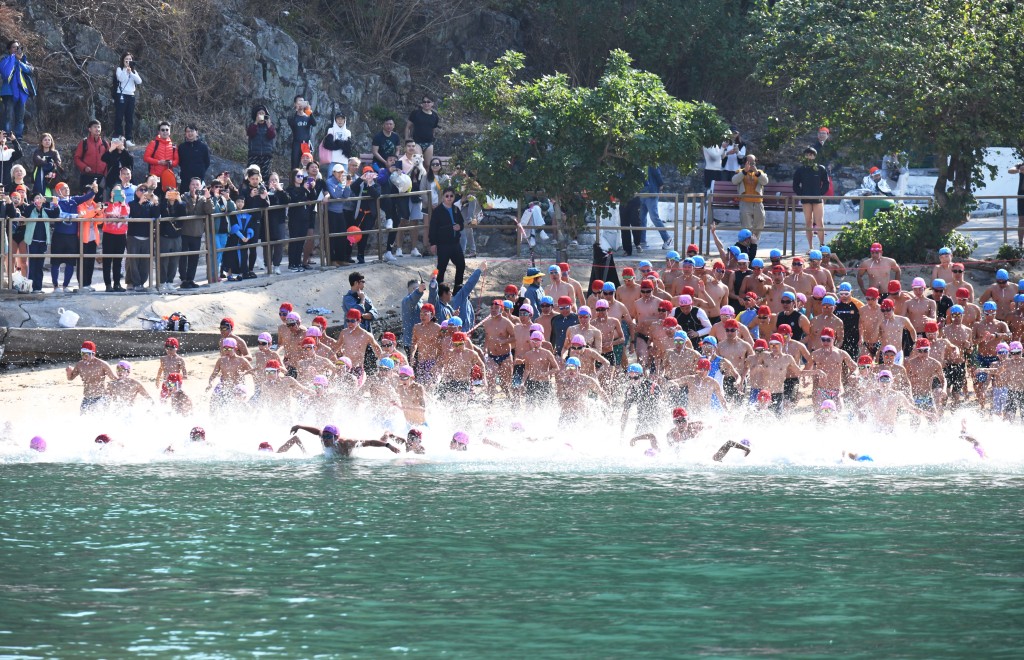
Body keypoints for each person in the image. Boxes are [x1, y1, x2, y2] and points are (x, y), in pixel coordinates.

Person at [792, 146, 829, 250]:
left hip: (817, 199)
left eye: (811, 154)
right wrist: (802, 194)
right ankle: (810, 247)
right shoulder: (800, 169)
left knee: (819, 222)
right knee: (808, 222)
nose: (809, 156)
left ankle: (822, 245)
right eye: (807, 154)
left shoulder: (821, 168)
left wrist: (820, 193)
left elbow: (826, 182)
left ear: (815, 156)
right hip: (806, 199)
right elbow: (795, 184)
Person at [429, 186, 466, 288]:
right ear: (443, 197)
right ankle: (439, 291)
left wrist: (459, 227)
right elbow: (433, 228)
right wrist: (433, 243)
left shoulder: (455, 209)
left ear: (454, 197)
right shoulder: (437, 211)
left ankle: (457, 289)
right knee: (441, 268)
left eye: (451, 196)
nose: (449, 198)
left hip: (455, 243)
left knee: (461, 265)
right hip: (443, 244)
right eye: (447, 196)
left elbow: (461, 223)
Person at [66, 341, 116, 414]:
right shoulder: (80, 365)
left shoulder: (102, 364)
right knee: (83, 418)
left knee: (99, 417)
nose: (84, 357)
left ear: (93, 354)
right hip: (87, 397)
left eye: (87, 355)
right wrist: (69, 373)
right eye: (82, 354)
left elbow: (114, 378)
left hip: (101, 396)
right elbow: (70, 378)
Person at [731, 155, 768, 244]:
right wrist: (744, 171)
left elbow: (765, 181)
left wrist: (756, 172)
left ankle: (754, 242)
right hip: (745, 202)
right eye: (749, 163)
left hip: (758, 203)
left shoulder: (760, 172)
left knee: (760, 224)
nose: (751, 165)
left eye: (753, 163)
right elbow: (734, 181)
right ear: (745, 162)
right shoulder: (740, 172)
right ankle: (746, 243)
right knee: (746, 226)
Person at [0, 40, 33, 139]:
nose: (16, 49)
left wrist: (19, 61)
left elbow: (30, 70)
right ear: (9, 49)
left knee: (20, 116)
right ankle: (6, 137)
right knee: (8, 116)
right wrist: (14, 59)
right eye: (14, 47)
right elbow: (6, 73)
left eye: (18, 47)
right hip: (8, 92)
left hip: (20, 92)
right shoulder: (5, 59)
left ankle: (18, 136)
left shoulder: (22, 60)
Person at [73, 119, 109, 198]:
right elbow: (77, 158)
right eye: (95, 127)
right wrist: (84, 167)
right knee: (86, 199)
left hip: (101, 176)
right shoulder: (84, 142)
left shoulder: (105, 143)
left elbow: (109, 159)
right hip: (87, 176)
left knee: (99, 200)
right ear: (90, 129)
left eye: (99, 127)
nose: (97, 129)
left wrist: (106, 174)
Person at [640, 164, 671, 250]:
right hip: (642, 193)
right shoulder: (637, 161)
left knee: (654, 217)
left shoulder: (651, 162)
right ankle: (642, 241)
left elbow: (658, 177)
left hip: (651, 193)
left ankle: (667, 238)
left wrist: (659, 189)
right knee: (641, 218)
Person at [113, 53, 141, 145]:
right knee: (119, 117)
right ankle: (119, 137)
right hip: (121, 95)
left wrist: (131, 72)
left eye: (130, 59)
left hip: (131, 96)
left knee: (129, 118)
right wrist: (126, 71)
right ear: (123, 60)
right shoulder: (119, 69)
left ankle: (128, 139)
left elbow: (139, 81)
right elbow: (121, 79)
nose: (128, 61)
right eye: (126, 59)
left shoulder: (134, 71)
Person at [406, 96, 440, 164]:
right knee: (418, 163)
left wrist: (432, 137)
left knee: (428, 164)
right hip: (417, 142)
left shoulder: (435, 116)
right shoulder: (415, 113)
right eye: (424, 102)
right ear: (422, 104)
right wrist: (407, 139)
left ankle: (426, 175)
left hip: (429, 143)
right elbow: (408, 127)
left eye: (428, 102)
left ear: (432, 103)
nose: (426, 103)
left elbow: (433, 129)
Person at [246, 104, 277, 179]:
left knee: (265, 176)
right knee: (251, 174)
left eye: (263, 113)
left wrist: (269, 124)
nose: (261, 115)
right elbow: (251, 133)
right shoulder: (252, 125)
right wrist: (256, 122)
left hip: (266, 155)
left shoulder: (269, 126)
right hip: (254, 154)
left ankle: (264, 189)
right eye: (259, 114)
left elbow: (272, 135)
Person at [177, 125, 210, 193]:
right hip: (185, 179)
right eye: (187, 131)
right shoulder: (181, 147)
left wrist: (201, 172)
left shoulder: (203, 147)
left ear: (197, 133)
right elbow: (179, 162)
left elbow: (207, 162)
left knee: (200, 200)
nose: (190, 133)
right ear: (185, 134)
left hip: (199, 179)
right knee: (184, 199)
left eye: (192, 131)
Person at [288, 95, 316, 169]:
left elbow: (314, 123)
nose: (301, 103)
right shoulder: (293, 117)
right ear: (295, 103)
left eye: (302, 101)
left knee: (308, 165)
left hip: (306, 143)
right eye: (299, 101)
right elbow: (291, 123)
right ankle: (294, 180)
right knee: (295, 165)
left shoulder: (307, 116)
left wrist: (309, 110)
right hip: (297, 143)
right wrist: (296, 110)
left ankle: (308, 180)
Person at [31, 132, 63, 197]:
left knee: (53, 195)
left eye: (49, 140)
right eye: (45, 140)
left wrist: (52, 172)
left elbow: (58, 163)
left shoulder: (54, 152)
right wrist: (49, 162)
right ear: (41, 142)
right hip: (40, 175)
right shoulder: (37, 151)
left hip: (52, 177)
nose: (47, 142)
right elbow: (37, 160)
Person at [1009, 160, 1024, 247]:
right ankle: (1020, 243)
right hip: (1021, 196)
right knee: (1021, 220)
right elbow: (1010, 170)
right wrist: (1019, 170)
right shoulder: (1020, 164)